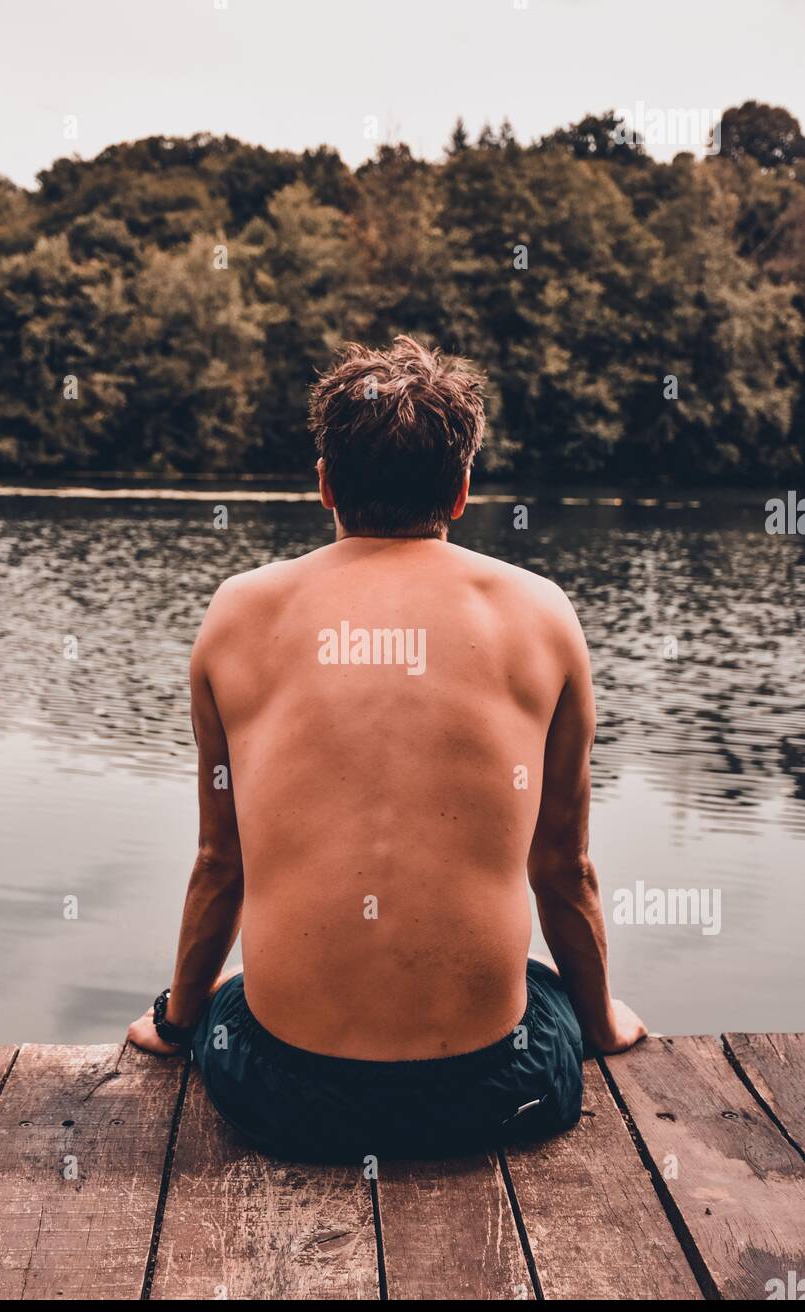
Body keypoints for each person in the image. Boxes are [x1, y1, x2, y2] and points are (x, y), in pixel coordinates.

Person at [128, 336, 646, 1159]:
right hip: (496, 1094)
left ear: (325, 481)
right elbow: (563, 872)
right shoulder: (543, 614)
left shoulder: (239, 612)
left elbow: (221, 864)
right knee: (546, 992)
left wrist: (177, 1020)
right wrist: (604, 1025)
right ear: (464, 489)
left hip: (282, 1095)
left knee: (231, 999)